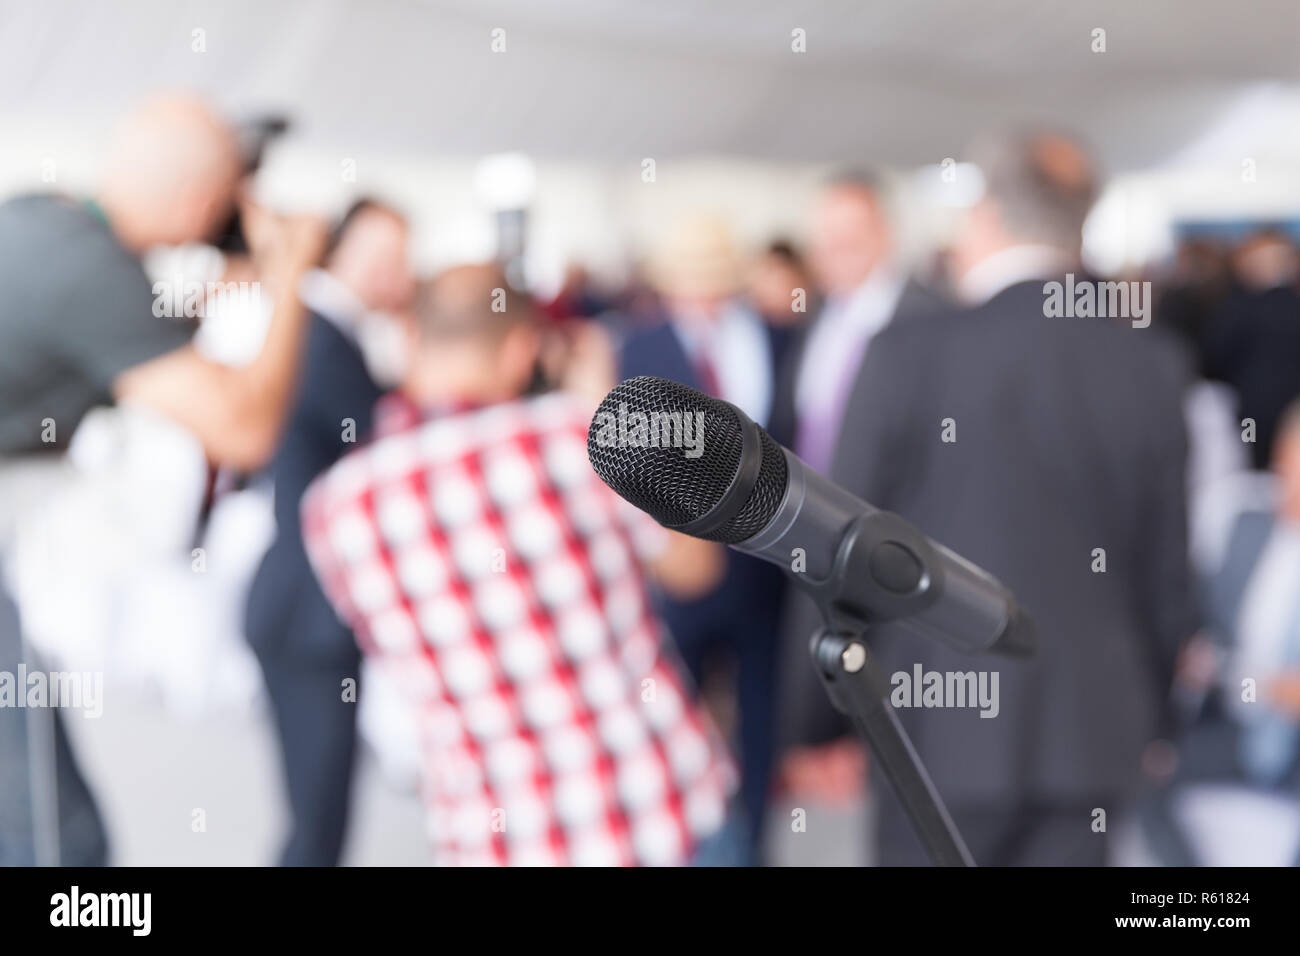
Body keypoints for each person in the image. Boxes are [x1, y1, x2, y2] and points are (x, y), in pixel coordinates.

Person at [786, 131, 1197, 865]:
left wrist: (814, 719)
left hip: (934, 732)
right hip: (1093, 732)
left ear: (987, 216)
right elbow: (1165, 568)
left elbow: (834, 547)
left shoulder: (911, 351)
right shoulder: (1152, 361)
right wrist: (1156, 717)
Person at [300, 264, 738, 866]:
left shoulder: (336, 505)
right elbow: (696, 572)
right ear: (523, 350)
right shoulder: (578, 435)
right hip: (655, 805)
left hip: (493, 834)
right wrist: (606, 404)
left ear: (408, 341)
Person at [0, 93, 325, 865]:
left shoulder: (40, 224)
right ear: (198, 201)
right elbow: (245, 428)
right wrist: (292, 275)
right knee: (51, 835)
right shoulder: (89, 270)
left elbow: (144, 329)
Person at [244, 198, 415, 866]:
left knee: (318, 818)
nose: (398, 273)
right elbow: (381, 446)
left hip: (303, 606)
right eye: (383, 258)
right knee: (316, 826)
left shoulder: (331, 331)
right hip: (306, 614)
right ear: (339, 254)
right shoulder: (322, 337)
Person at [771, 173, 943, 806]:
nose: (833, 253)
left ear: (886, 235)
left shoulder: (934, 320)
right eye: (824, 240)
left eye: (849, 237)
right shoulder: (819, 319)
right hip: (810, 545)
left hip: (894, 561)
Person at [618, 214, 786, 857]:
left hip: (765, 571)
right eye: (689, 279)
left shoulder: (777, 337)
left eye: (713, 278)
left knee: (761, 723)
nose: (702, 293)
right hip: (677, 575)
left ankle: (756, 846)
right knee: (671, 718)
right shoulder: (637, 346)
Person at [1203, 229, 1300, 469]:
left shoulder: (1237, 310)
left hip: (1249, 416)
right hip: (1291, 418)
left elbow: (1214, 358)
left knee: (1250, 471)